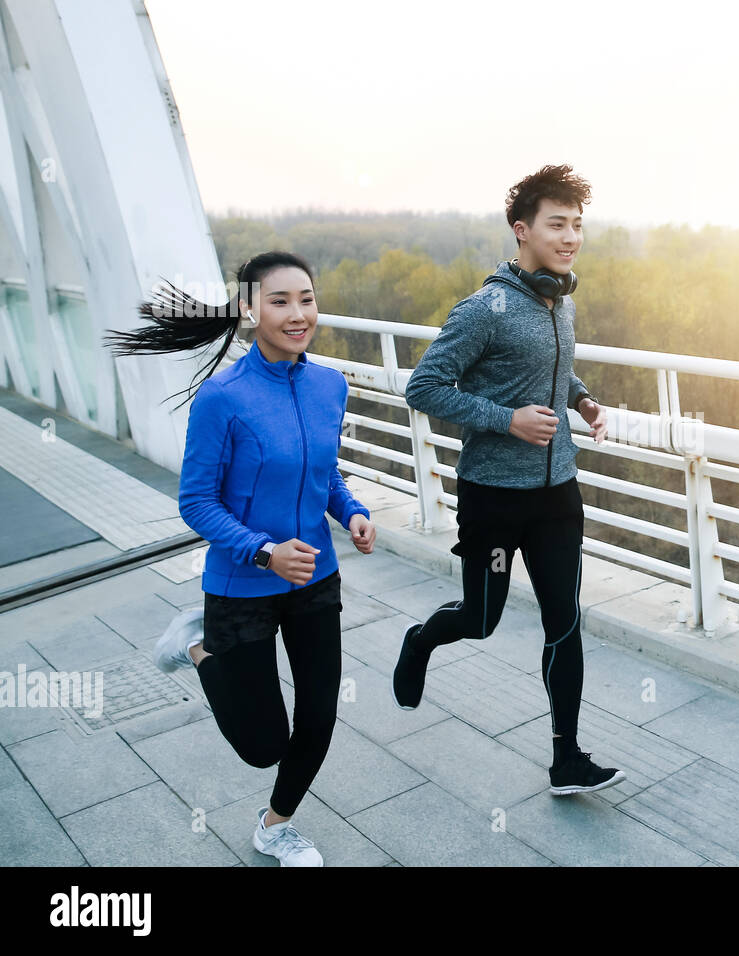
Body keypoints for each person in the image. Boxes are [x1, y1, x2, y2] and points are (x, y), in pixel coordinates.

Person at [105, 251, 376, 866]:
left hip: (315, 578)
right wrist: (263, 552)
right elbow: (195, 502)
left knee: (320, 716)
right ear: (250, 310)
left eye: (306, 298)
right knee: (262, 744)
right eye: (279, 301)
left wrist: (352, 512)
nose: (297, 313)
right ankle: (198, 644)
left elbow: (323, 474)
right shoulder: (222, 397)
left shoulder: (330, 385)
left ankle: (275, 827)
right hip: (241, 583)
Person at [396, 165, 625, 796]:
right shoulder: (485, 308)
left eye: (578, 224)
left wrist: (582, 402)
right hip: (494, 498)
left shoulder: (562, 299)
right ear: (522, 230)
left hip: (557, 496)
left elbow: (552, 372)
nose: (571, 235)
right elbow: (424, 387)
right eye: (558, 223)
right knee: (481, 616)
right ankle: (420, 641)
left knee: (565, 622)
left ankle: (566, 759)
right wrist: (507, 421)